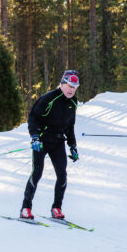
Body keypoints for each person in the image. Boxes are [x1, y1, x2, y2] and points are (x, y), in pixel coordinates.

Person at [20, 70, 79, 220]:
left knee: (62, 175)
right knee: (37, 172)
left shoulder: (73, 102)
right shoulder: (49, 98)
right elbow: (33, 117)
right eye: (70, 86)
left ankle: (56, 208)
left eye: (75, 87)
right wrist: (35, 137)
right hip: (42, 140)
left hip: (58, 142)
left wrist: (73, 146)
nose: (72, 90)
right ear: (63, 83)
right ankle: (26, 208)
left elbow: (70, 126)